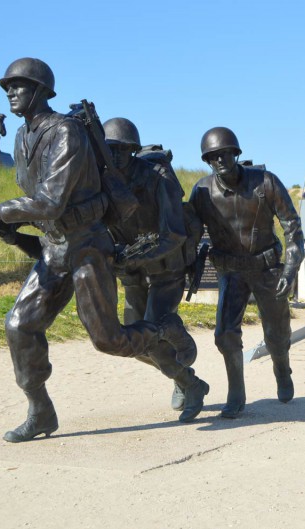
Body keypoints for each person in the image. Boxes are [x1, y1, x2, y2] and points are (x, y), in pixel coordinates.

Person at [0, 58, 203, 443]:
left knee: (109, 340)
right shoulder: (20, 138)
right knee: (19, 325)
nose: (10, 92)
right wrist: (6, 225)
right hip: (54, 247)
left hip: (87, 246)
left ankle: (170, 344)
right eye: (7, 86)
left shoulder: (66, 132)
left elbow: (50, 201)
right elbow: (37, 203)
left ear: (41, 90)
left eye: (18, 85)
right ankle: (40, 411)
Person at [189, 127, 305, 418]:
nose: (220, 160)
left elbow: (292, 228)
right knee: (224, 335)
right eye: (213, 156)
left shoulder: (265, 182)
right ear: (207, 161)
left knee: (277, 334)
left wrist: (289, 271)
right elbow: (189, 234)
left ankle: (282, 369)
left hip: (267, 269)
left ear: (236, 153)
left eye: (225, 153)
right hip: (231, 272)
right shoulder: (202, 192)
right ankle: (236, 392)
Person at [102, 117, 207, 413]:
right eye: (111, 149)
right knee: (134, 344)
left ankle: (188, 380)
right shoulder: (102, 180)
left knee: (150, 336)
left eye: (124, 149)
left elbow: (174, 234)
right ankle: (184, 376)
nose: (117, 156)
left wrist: (134, 256)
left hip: (166, 267)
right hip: (132, 272)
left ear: (134, 150)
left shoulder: (158, 177)